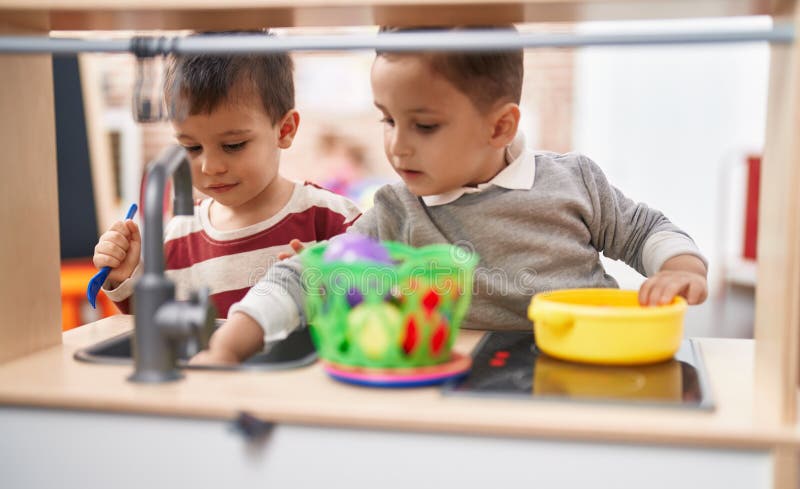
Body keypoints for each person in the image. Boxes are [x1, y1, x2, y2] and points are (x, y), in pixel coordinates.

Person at [193, 29, 708, 364]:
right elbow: (301, 275)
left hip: (589, 360)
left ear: (500, 125)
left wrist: (682, 267)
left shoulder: (573, 179)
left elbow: (645, 230)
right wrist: (235, 338)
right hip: (464, 380)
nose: (396, 145)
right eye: (388, 120)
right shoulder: (396, 210)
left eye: (425, 125)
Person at [92, 35, 361, 318]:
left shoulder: (330, 217)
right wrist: (125, 279)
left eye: (233, 145)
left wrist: (332, 286)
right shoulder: (178, 236)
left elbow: (386, 301)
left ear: (284, 130)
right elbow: (159, 327)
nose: (210, 166)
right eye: (192, 147)